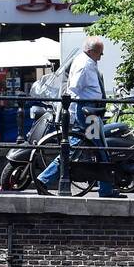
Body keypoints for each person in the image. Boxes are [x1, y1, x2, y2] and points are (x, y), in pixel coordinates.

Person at [35, 36, 124, 198]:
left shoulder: (85, 62)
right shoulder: (84, 65)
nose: (101, 56)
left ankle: (45, 179)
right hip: (89, 113)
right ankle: (105, 190)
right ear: (91, 51)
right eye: (99, 53)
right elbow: (74, 89)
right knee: (99, 149)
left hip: (90, 111)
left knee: (80, 148)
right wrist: (79, 112)